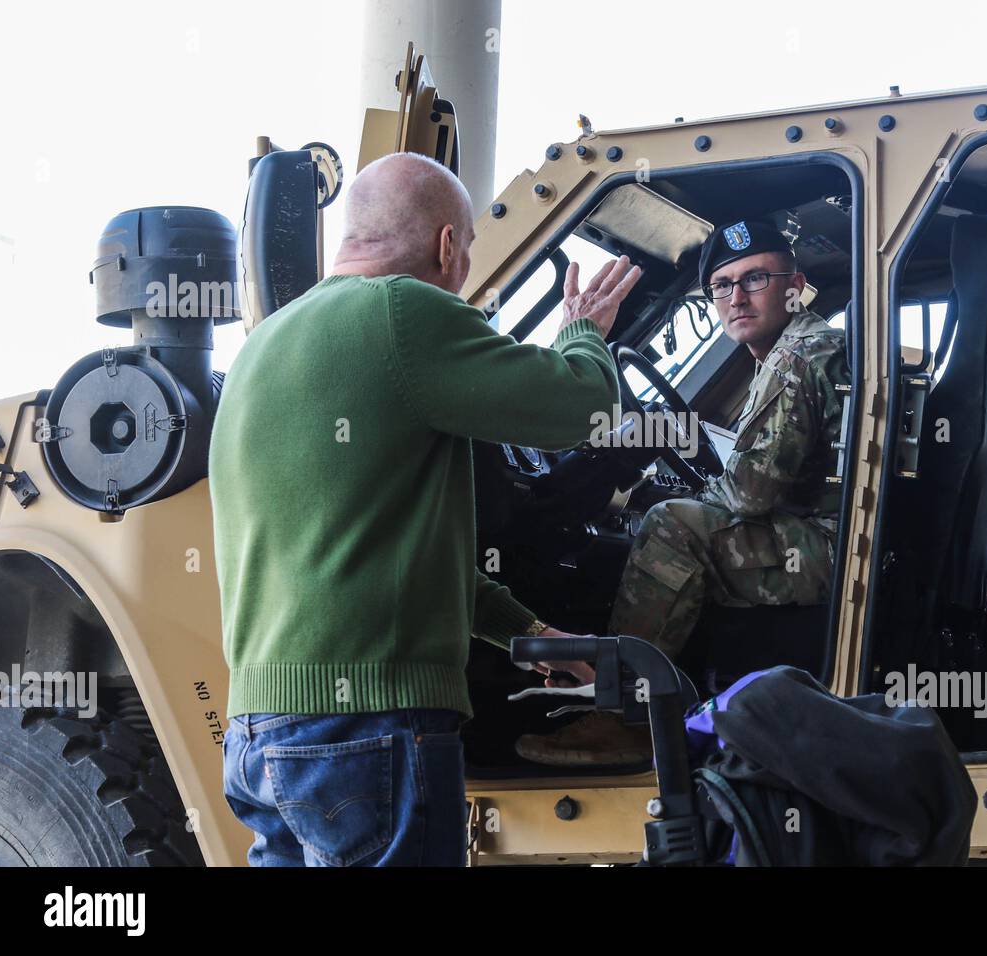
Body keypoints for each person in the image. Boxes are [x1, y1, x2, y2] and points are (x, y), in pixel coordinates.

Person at [212, 152, 640, 865]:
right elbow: (587, 407)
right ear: (447, 245)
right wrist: (583, 330)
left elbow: (388, 554)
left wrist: (530, 634)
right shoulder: (402, 311)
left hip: (262, 734)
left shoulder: (264, 346)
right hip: (366, 728)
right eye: (468, 250)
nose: (463, 267)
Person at [517, 218, 849, 767]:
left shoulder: (798, 357)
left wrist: (646, 502)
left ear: (795, 285)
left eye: (756, 279)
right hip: (836, 539)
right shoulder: (800, 349)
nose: (736, 297)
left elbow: (748, 496)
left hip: (832, 552)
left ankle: (624, 721)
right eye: (723, 285)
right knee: (671, 518)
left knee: (671, 527)